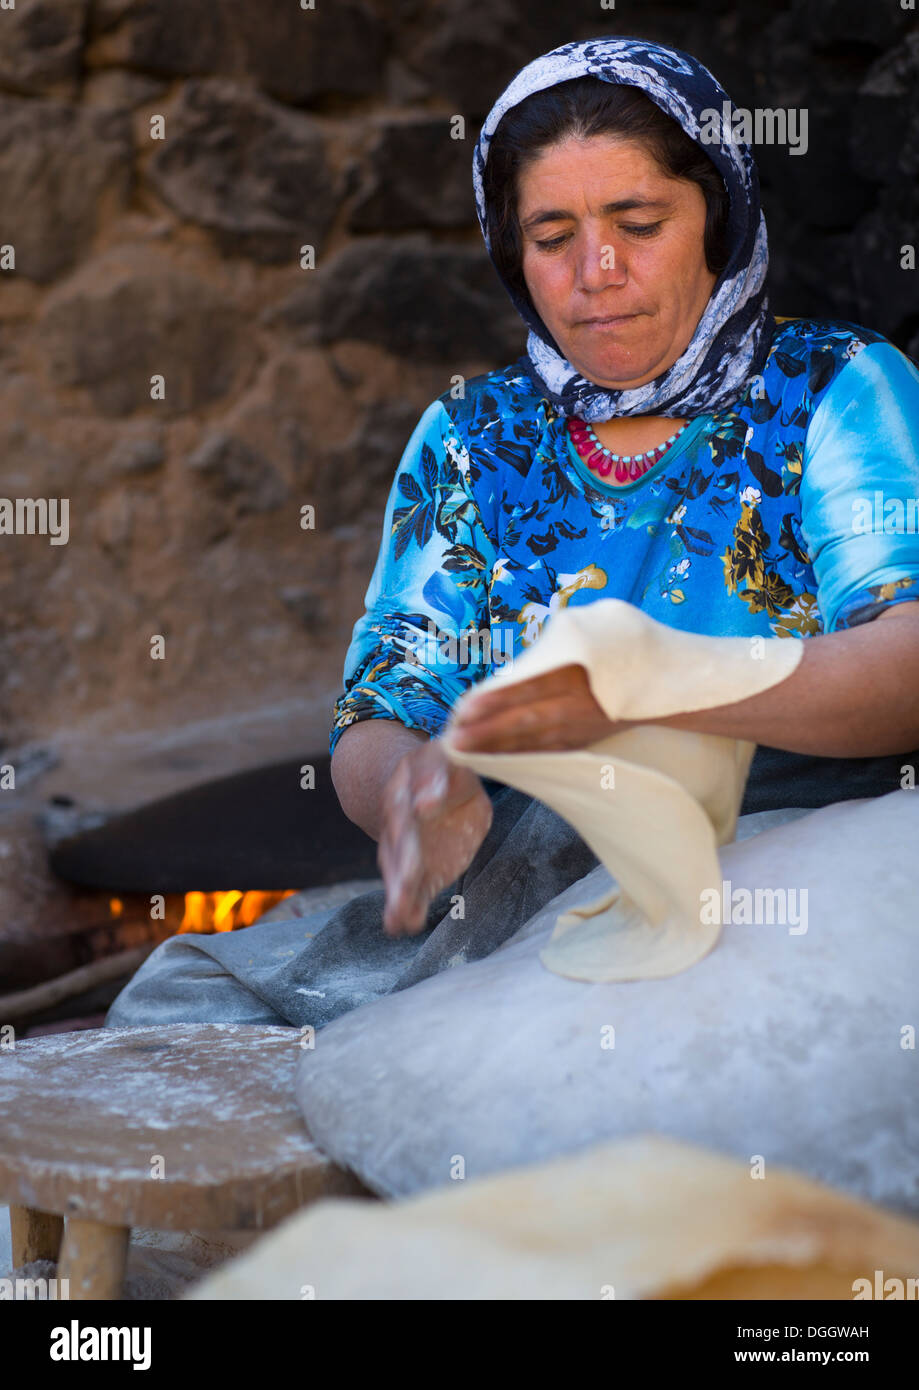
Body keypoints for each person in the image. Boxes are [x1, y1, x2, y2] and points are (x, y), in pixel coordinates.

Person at [105, 35, 919, 1031]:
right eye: (550, 236)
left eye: (639, 221)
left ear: (719, 216)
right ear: (509, 251)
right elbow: (386, 697)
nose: (596, 271)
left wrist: (664, 678)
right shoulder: (473, 437)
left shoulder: (831, 389)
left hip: (796, 857)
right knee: (187, 1006)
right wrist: (411, 795)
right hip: (527, 875)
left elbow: (905, 661)